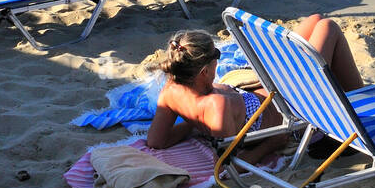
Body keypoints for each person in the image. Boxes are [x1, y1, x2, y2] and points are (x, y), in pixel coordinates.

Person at [145, 16, 362, 162]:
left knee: (314, 20)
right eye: (216, 57)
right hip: (292, 101)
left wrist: (195, 125)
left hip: (269, 86)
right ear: (203, 71)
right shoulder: (216, 106)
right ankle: (361, 118)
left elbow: (156, 141)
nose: (218, 62)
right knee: (328, 27)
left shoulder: (171, 90)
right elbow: (227, 167)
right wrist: (271, 145)